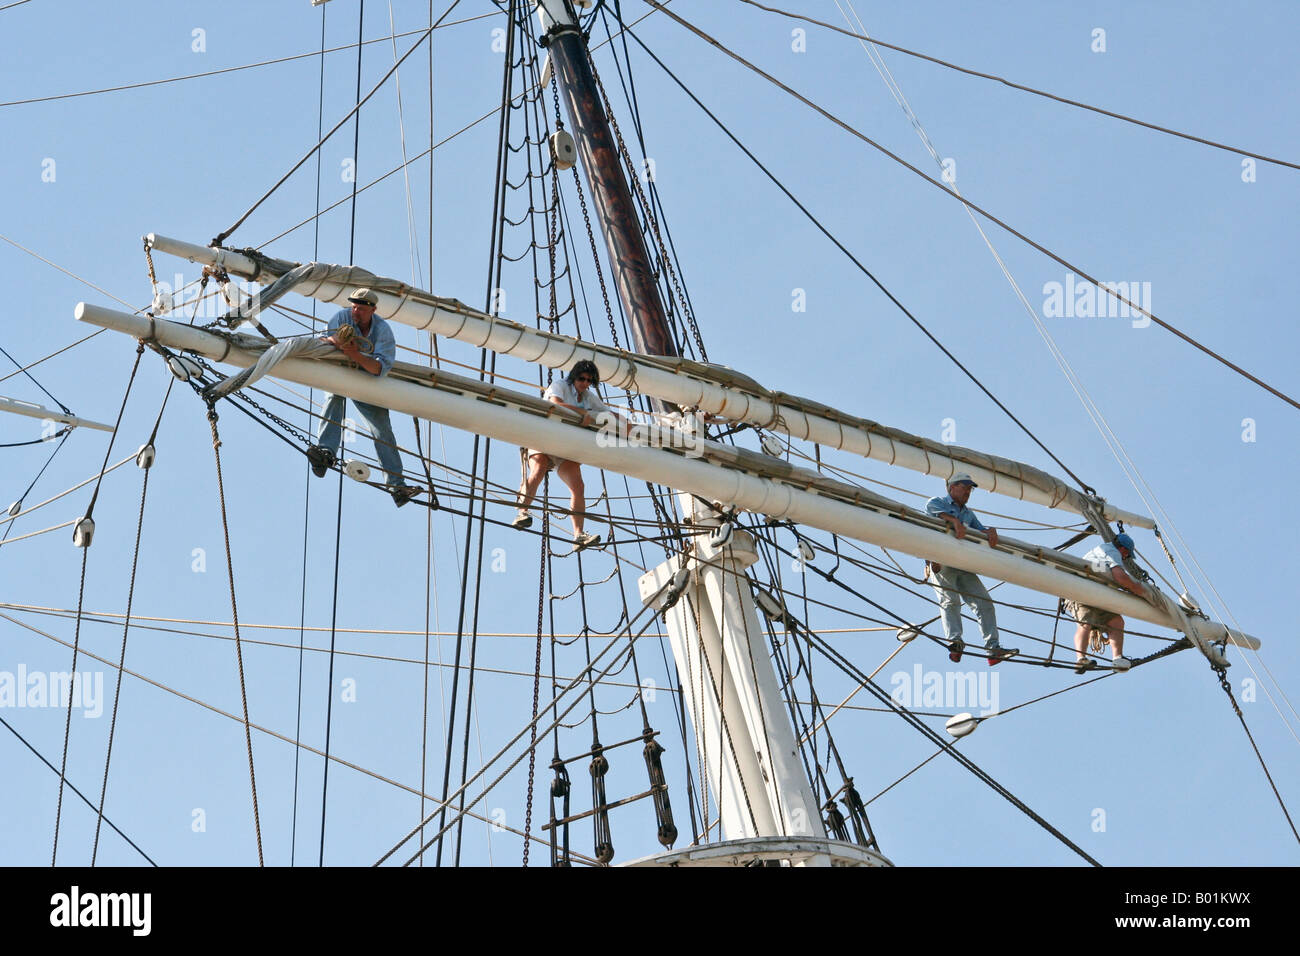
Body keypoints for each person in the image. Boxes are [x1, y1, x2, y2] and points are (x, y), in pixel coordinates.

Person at [305, 288, 419, 508]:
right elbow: (326, 340)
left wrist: (354, 353)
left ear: (373, 310)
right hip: (341, 370)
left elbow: (379, 368)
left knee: (382, 429)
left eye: (361, 309)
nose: (355, 312)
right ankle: (325, 453)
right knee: (334, 398)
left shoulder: (382, 331)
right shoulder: (342, 317)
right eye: (354, 307)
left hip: (366, 378)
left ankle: (397, 486)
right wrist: (341, 345)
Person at [514, 360, 619, 550]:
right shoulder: (560, 385)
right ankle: (522, 512)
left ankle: (578, 535)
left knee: (578, 486)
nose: (585, 383)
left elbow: (608, 413)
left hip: (564, 445)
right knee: (537, 471)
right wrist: (582, 413)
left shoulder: (588, 396)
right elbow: (555, 403)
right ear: (574, 376)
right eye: (582, 378)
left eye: (589, 380)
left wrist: (626, 423)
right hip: (544, 436)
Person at [925, 473, 1018, 665]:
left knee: (984, 603)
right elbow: (931, 510)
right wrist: (954, 521)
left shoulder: (968, 514)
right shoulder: (938, 502)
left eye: (970, 488)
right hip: (941, 559)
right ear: (952, 487)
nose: (968, 491)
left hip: (963, 563)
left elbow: (980, 531)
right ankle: (955, 642)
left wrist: (990, 531)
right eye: (964, 486)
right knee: (950, 601)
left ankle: (993, 649)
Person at [1066, 532, 1149, 674]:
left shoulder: (1101, 552)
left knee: (1116, 621)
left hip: (1098, 595)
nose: (1125, 558)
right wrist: (1140, 591)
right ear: (1124, 550)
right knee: (1085, 622)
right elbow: (1120, 576)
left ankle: (1117, 658)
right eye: (1127, 555)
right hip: (1081, 591)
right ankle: (1080, 659)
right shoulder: (1111, 552)